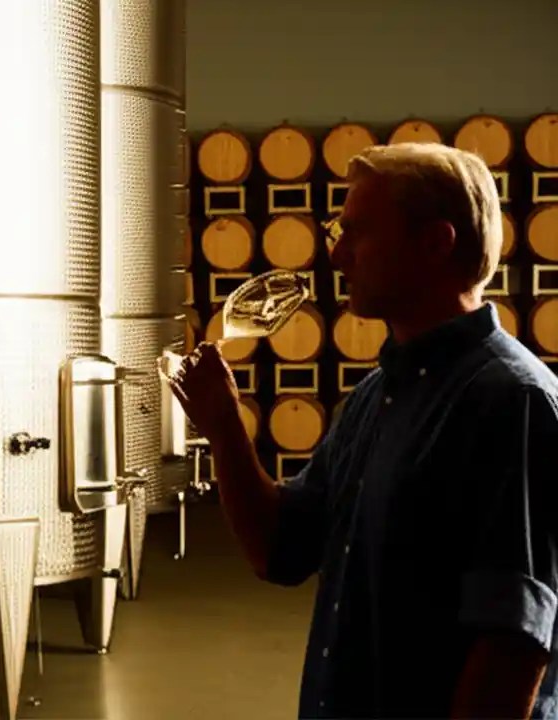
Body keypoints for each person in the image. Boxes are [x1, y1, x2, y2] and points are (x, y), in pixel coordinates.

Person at [170, 142, 558, 719]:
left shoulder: (512, 401)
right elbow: (279, 550)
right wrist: (225, 427)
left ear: (434, 244)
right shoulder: (378, 393)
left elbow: (511, 647)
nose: (339, 256)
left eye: (358, 233)